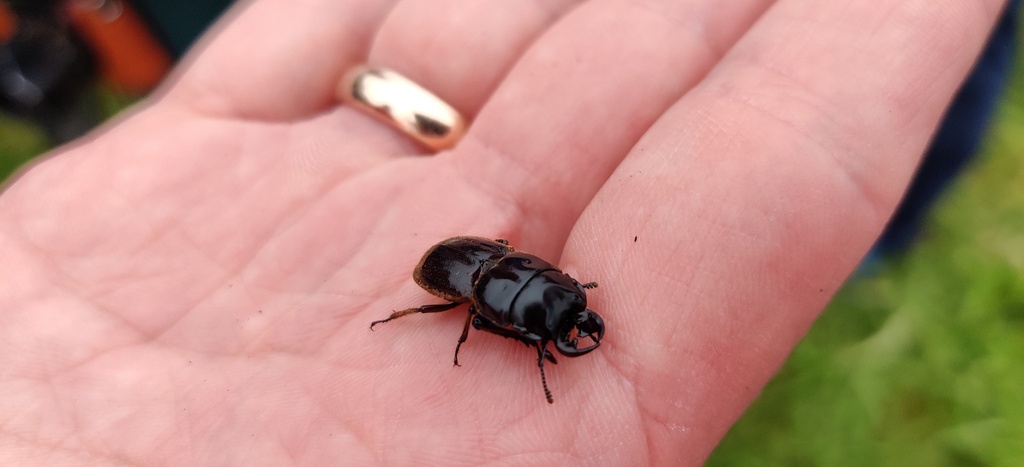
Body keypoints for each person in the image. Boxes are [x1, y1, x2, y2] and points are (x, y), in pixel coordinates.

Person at [0, 0, 1011, 464]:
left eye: (562, 310)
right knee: (456, 309)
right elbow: (514, 311)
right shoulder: (489, 305)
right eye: (562, 317)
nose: (569, 320)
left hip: (478, 266)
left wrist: (554, 305)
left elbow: (540, 297)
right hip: (453, 271)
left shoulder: (533, 294)